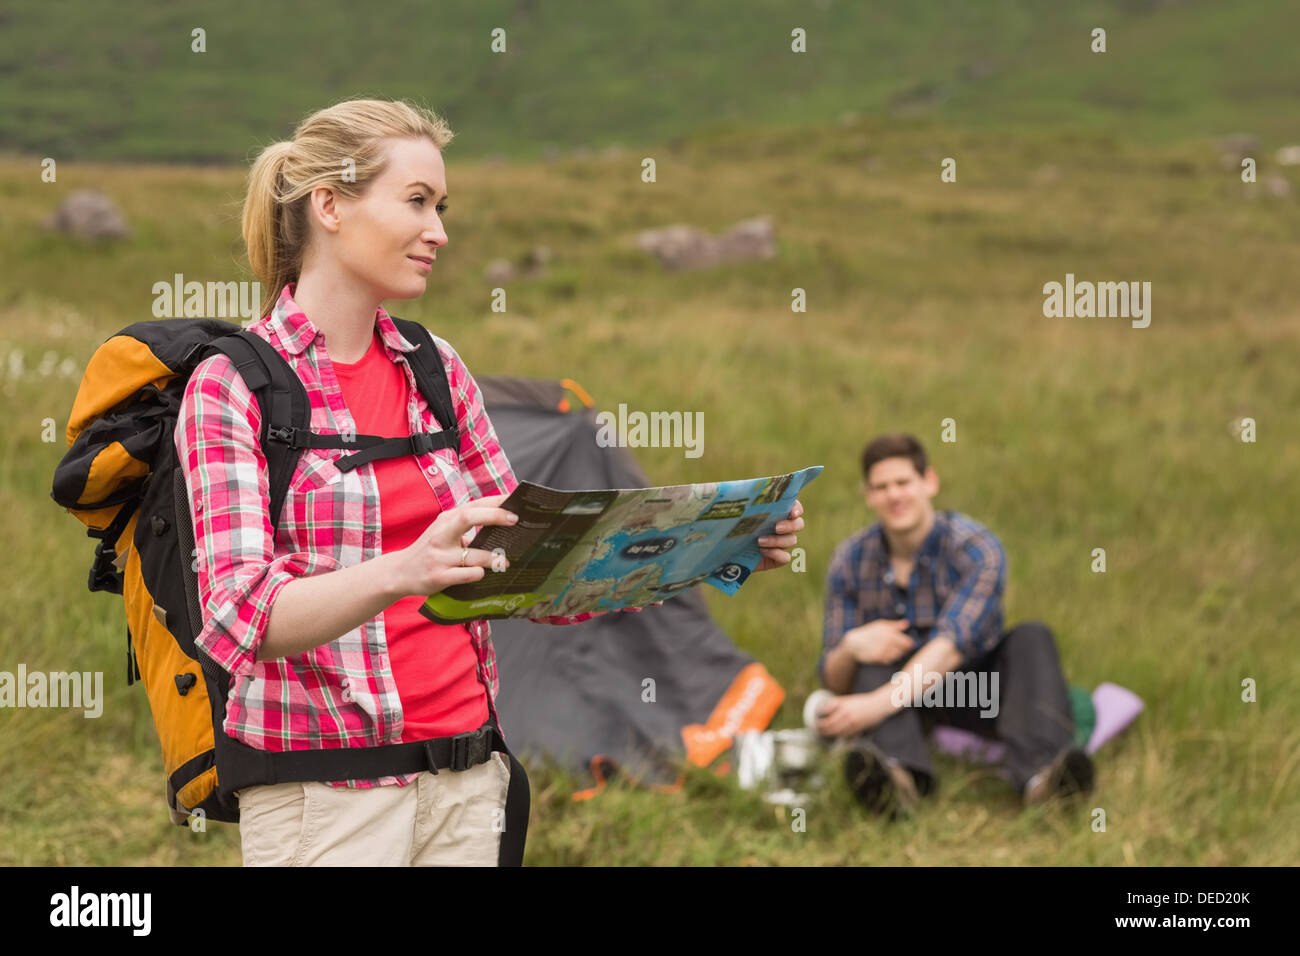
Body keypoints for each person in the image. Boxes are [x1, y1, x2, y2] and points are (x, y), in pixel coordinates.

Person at [176, 97, 806, 866]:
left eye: (441, 206)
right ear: (331, 205)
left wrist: (711, 547)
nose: (439, 231)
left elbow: (532, 573)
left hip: (470, 778)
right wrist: (404, 571)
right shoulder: (234, 385)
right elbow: (243, 617)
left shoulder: (436, 367)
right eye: (416, 202)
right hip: (323, 797)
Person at [814, 433, 1090, 816]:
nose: (894, 496)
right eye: (881, 487)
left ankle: (1042, 781)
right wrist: (850, 647)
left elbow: (950, 647)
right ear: (868, 495)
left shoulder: (976, 548)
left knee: (1032, 636)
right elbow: (835, 679)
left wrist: (872, 708)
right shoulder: (850, 559)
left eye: (903, 483)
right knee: (871, 653)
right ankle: (897, 781)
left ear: (929, 482)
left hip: (974, 691)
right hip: (908, 707)